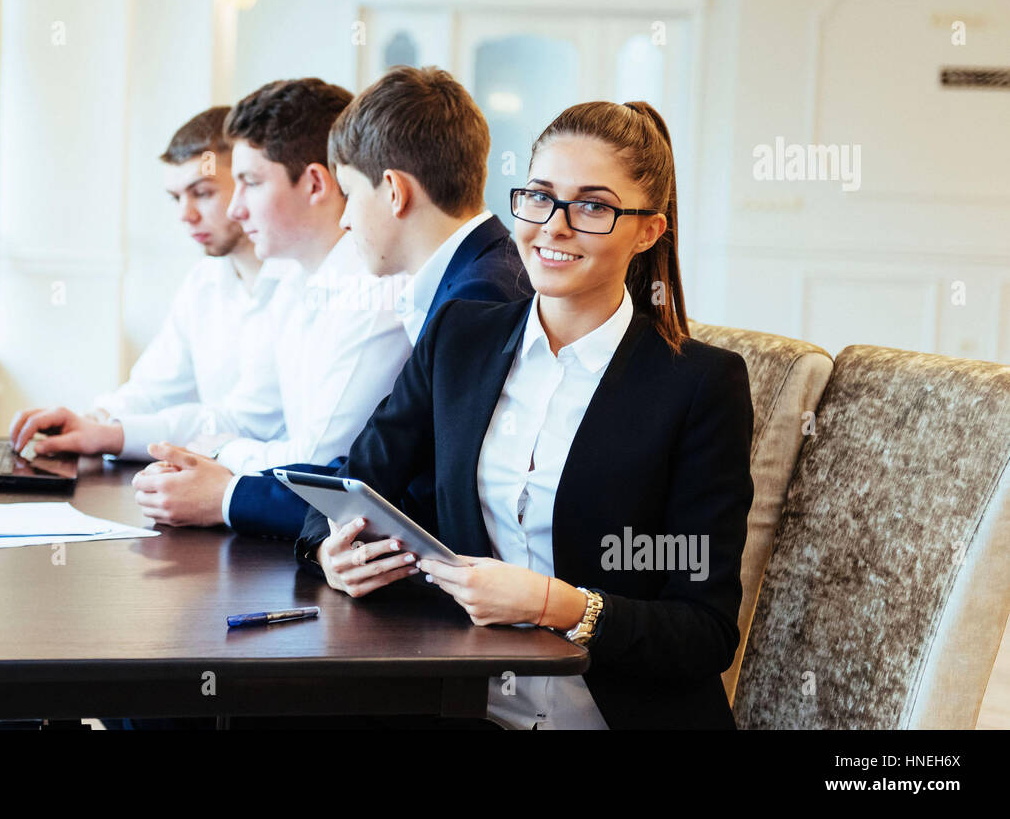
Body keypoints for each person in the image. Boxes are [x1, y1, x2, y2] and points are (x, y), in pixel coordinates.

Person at [298, 101, 755, 730]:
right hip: (465, 704)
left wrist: (554, 604)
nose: (554, 226)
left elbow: (702, 631)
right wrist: (331, 554)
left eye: (593, 206)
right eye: (539, 197)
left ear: (648, 230)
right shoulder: (461, 337)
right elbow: (353, 484)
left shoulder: (700, 384)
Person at [212, 65, 532, 539]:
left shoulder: (478, 297)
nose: (343, 221)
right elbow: (380, 459)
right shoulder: (468, 276)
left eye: (349, 193)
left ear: (395, 191)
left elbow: (421, 492)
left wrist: (230, 495)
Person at [129, 78, 412, 528]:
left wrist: (222, 449)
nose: (236, 210)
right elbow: (252, 415)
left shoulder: (374, 292)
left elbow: (316, 464)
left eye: (250, 184)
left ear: (316, 183)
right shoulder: (293, 279)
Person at [8, 107, 287, 460]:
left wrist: (110, 436)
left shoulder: (300, 281)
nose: (185, 214)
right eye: (176, 198)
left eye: (202, 192)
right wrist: (93, 419)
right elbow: (153, 387)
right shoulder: (204, 281)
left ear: (247, 183)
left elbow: (245, 421)